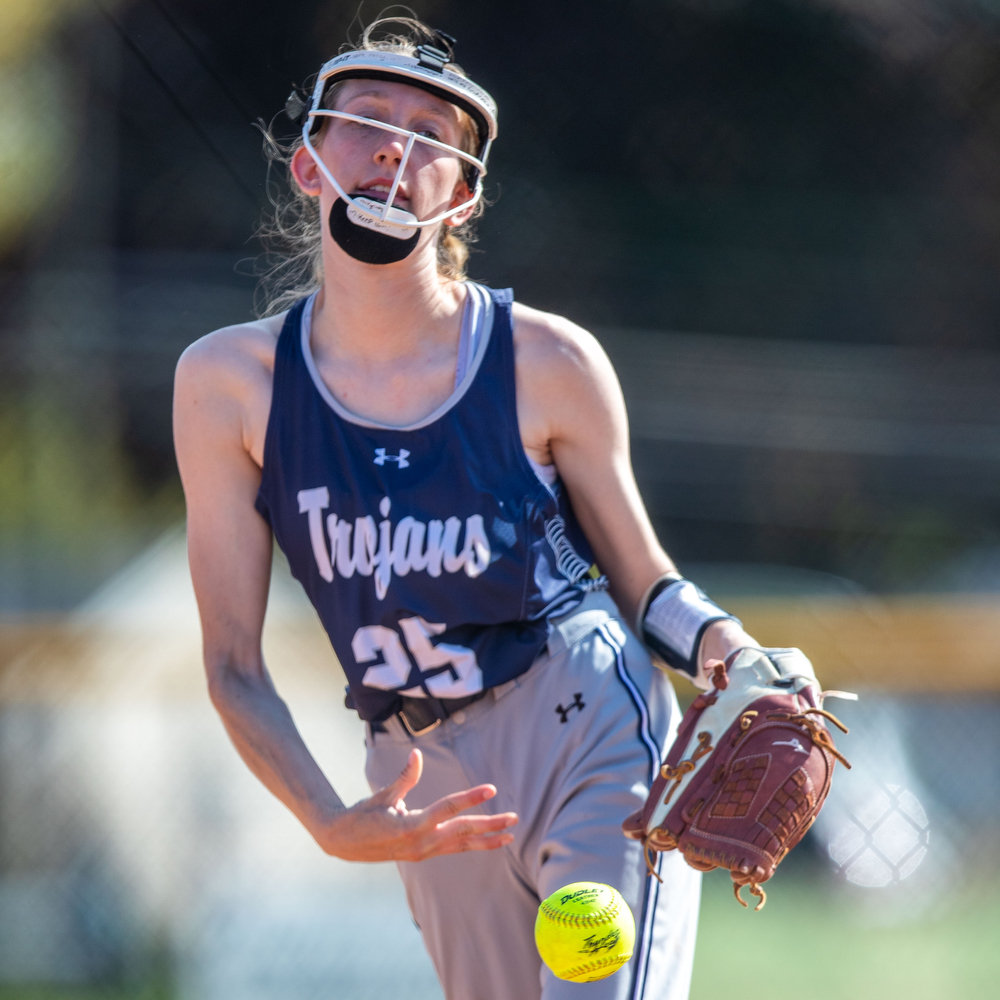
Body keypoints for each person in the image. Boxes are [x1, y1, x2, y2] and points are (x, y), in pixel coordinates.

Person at [173, 17, 761, 1000]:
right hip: (420, 774)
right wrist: (325, 815)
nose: (397, 148)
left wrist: (730, 651)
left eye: (432, 138)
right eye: (366, 120)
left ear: (463, 196)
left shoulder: (547, 359)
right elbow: (231, 662)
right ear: (308, 164)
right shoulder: (227, 383)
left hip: (584, 725)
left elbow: (644, 581)